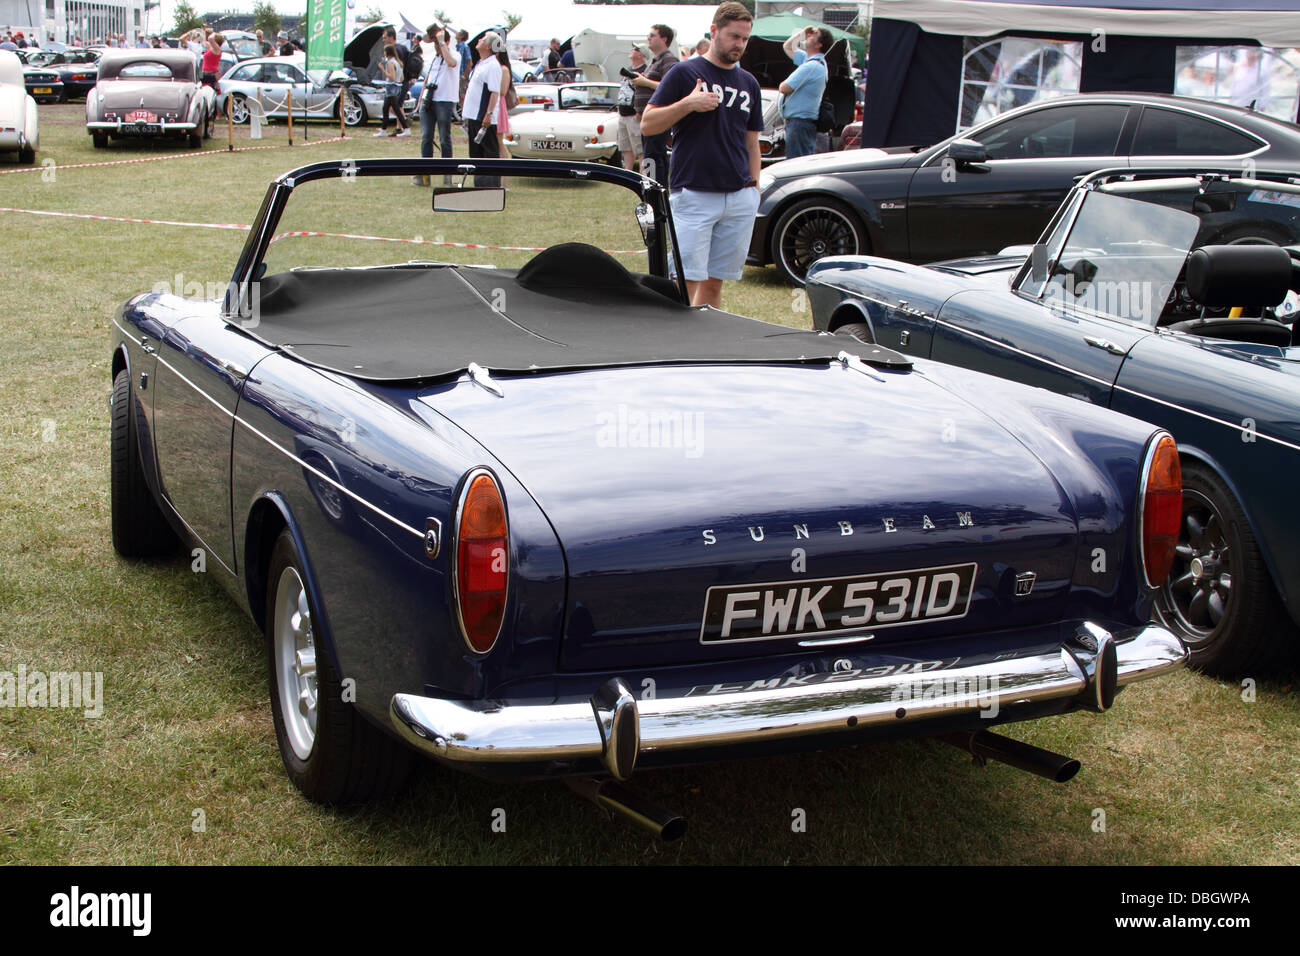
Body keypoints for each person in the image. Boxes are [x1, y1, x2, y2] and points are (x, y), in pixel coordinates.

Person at [641, 1, 762, 309]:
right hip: (694, 193)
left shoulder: (749, 82)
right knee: (684, 282)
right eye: (734, 36)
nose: (740, 45)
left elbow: (751, 142)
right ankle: (672, 352)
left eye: (745, 39)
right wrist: (687, 105)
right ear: (714, 31)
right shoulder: (685, 72)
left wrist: (754, 188)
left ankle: (707, 353)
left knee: (714, 283)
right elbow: (648, 123)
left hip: (738, 196)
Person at [633, 23, 678, 185]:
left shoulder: (669, 60)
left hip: (659, 117)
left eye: (652, 35)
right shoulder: (655, 60)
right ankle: (656, 188)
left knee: (653, 155)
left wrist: (644, 81)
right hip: (648, 118)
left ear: (664, 39)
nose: (648, 38)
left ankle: (655, 189)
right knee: (652, 155)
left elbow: (672, 87)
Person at [417, 24, 460, 184]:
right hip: (429, 101)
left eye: (437, 42)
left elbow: (451, 63)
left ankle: (447, 175)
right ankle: (425, 175)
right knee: (426, 137)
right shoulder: (435, 58)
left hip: (444, 101)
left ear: (445, 42)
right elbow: (428, 79)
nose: (435, 45)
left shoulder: (454, 54)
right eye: (434, 43)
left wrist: (442, 43)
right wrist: (421, 99)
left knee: (444, 139)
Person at [778, 26, 828, 158]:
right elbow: (787, 47)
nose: (810, 35)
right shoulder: (810, 60)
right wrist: (803, 33)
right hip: (800, 124)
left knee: (796, 165)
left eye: (814, 34)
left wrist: (782, 83)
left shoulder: (812, 66)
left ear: (819, 44)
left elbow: (785, 87)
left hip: (800, 123)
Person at [463, 30, 504, 185]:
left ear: (488, 46)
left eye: (483, 39)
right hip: (474, 116)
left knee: (489, 153)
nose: (479, 40)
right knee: (476, 154)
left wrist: (488, 114)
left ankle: (491, 187)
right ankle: (479, 186)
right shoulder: (481, 63)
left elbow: (494, 92)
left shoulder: (493, 65)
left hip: (483, 118)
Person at [616, 43, 648, 171]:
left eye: (636, 49)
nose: (632, 50)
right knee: (626, 148)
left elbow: (645, 93)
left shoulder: (644, 71)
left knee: (640, 149)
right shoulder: (628, 69)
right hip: (623, 114)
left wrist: (640, 111)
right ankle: (628, 174)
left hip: (634, 115)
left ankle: (643, 175)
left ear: (641, 54)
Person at [495, 48, 513, 158]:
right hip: (495, 103)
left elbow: (503, 91)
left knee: (499, 140)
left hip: (499, 104)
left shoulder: (504, 69)